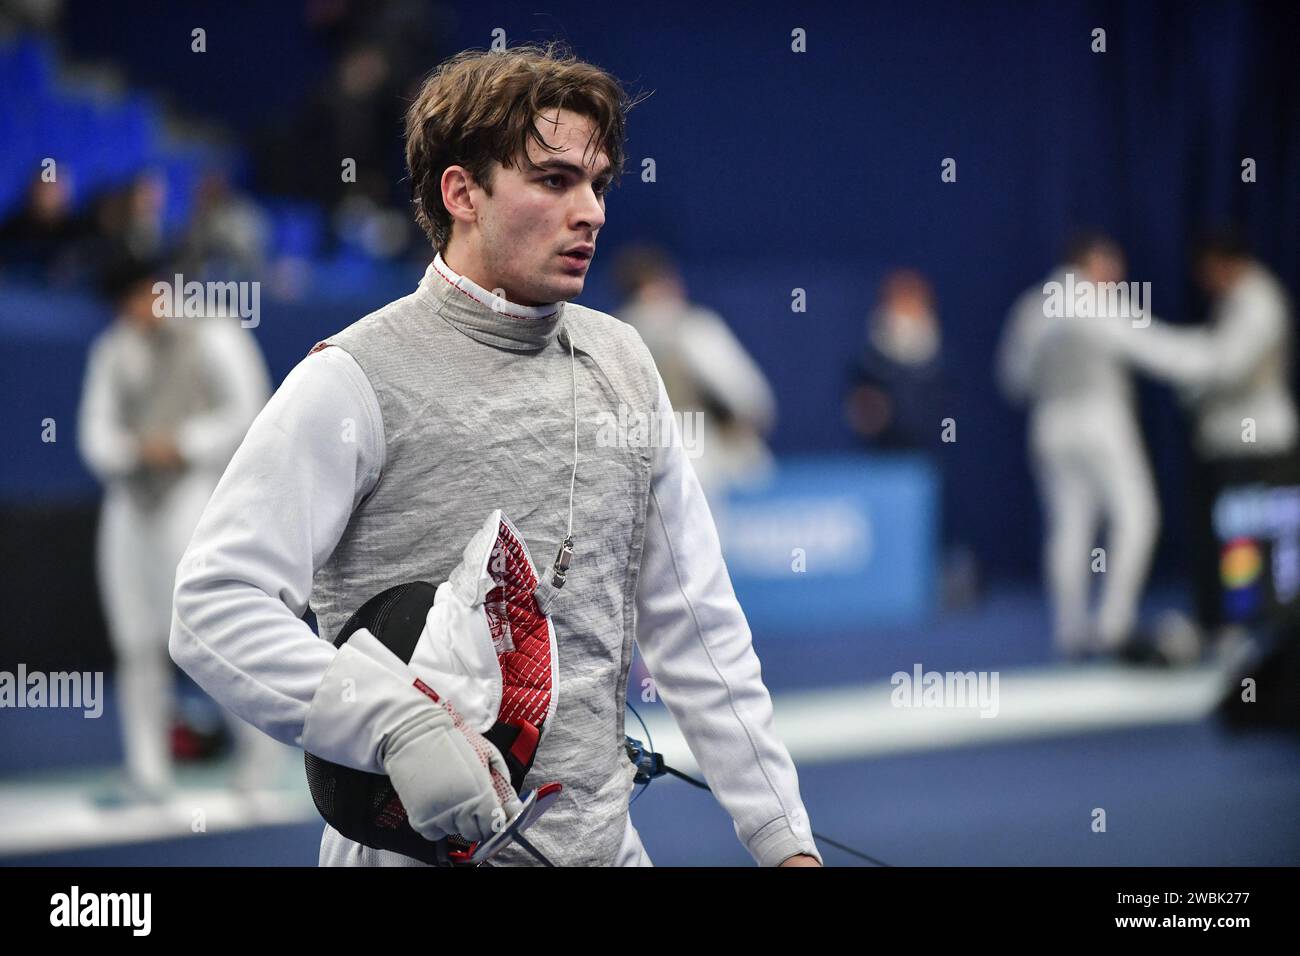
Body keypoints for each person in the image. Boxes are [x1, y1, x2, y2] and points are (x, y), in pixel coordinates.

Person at [169, 43, 822, 867]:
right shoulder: (353, 379)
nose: (591, 211)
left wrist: (784, 839)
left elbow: (697, 630)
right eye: (554, 180)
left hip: (605, 848)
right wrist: (393, 721)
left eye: (597, 183)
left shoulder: (624, 364)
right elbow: (213, 605)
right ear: (462, 193)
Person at [77, 257, 276, 798]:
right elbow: (94, 433)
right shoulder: (114, 348)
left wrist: (184, 443)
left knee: (206, 630)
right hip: (129, 501)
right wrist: (129, 452)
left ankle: (259, 760)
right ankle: (149, 772)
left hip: (192, 493)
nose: (134, 310)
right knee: (136, 640)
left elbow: (248, 409)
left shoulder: (212, 333)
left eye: (141, 295)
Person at [1097, 233, 1299, 653]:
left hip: (1259, 446)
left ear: (1222, 262)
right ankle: (1238, 626)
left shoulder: (1259, 302)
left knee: (1251, 540)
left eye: (1207, 269)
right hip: (1230, 444)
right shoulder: (1237, 299)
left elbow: (1225, 367)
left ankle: (1259, 631)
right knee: (1234, 541)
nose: (1204, 280)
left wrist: (1156, 347)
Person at [996, 234, 1160, 659]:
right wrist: (1213, 359)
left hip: (1050, 424)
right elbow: (1155, 350)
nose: (1118, 275)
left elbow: (1013, 380)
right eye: (1112, 265)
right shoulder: (1096, 302)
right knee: (1138, 515)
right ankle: (1112, 624)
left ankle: (1069, 630)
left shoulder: (1033, 306)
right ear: (1092, 262)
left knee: (1069, 528)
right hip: (1101, 419)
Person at [614, 243, 777, 503]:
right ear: (663, 283)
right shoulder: (692, 327)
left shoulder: (611, 334)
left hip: (629, 457)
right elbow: (749, 398)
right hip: (699, 452)